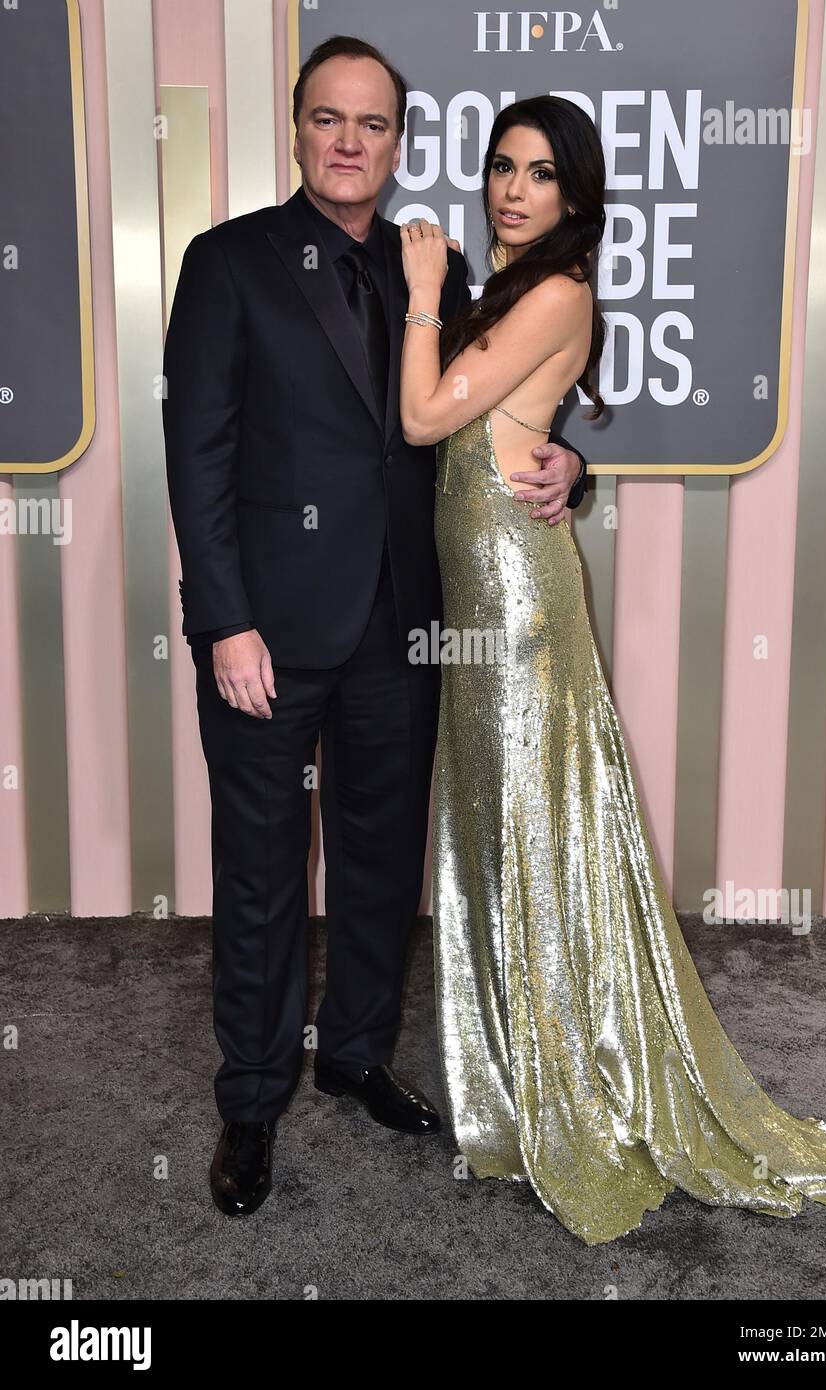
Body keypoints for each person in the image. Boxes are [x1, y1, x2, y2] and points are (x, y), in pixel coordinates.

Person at [398, 94, 826, 1245]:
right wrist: (568, 456)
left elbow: (424, 417)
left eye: (539, 175)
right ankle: (525, 1078)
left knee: (535, 823)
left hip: (516, 596)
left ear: (573, 196)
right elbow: (497, 426)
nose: (512, 191)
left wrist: (422, 297)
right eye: (501, 168)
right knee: (497, 825)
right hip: (487, 585)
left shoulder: (555, 291)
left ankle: (579, 1081)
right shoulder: (515, 290)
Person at [162, 37, 587, 1217]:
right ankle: (250, 1100)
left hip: (405, 626)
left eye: (374, 124)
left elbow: (488, 412)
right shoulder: (227, 262)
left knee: (379, 861)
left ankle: (352, 1052)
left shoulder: (437, 271)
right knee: (257, 874)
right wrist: (225, 622)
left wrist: (568, 462)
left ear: (399, 141)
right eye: (327, 120)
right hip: (270, 633)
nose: (350, 142)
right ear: (297, 130)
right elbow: (194, 459)